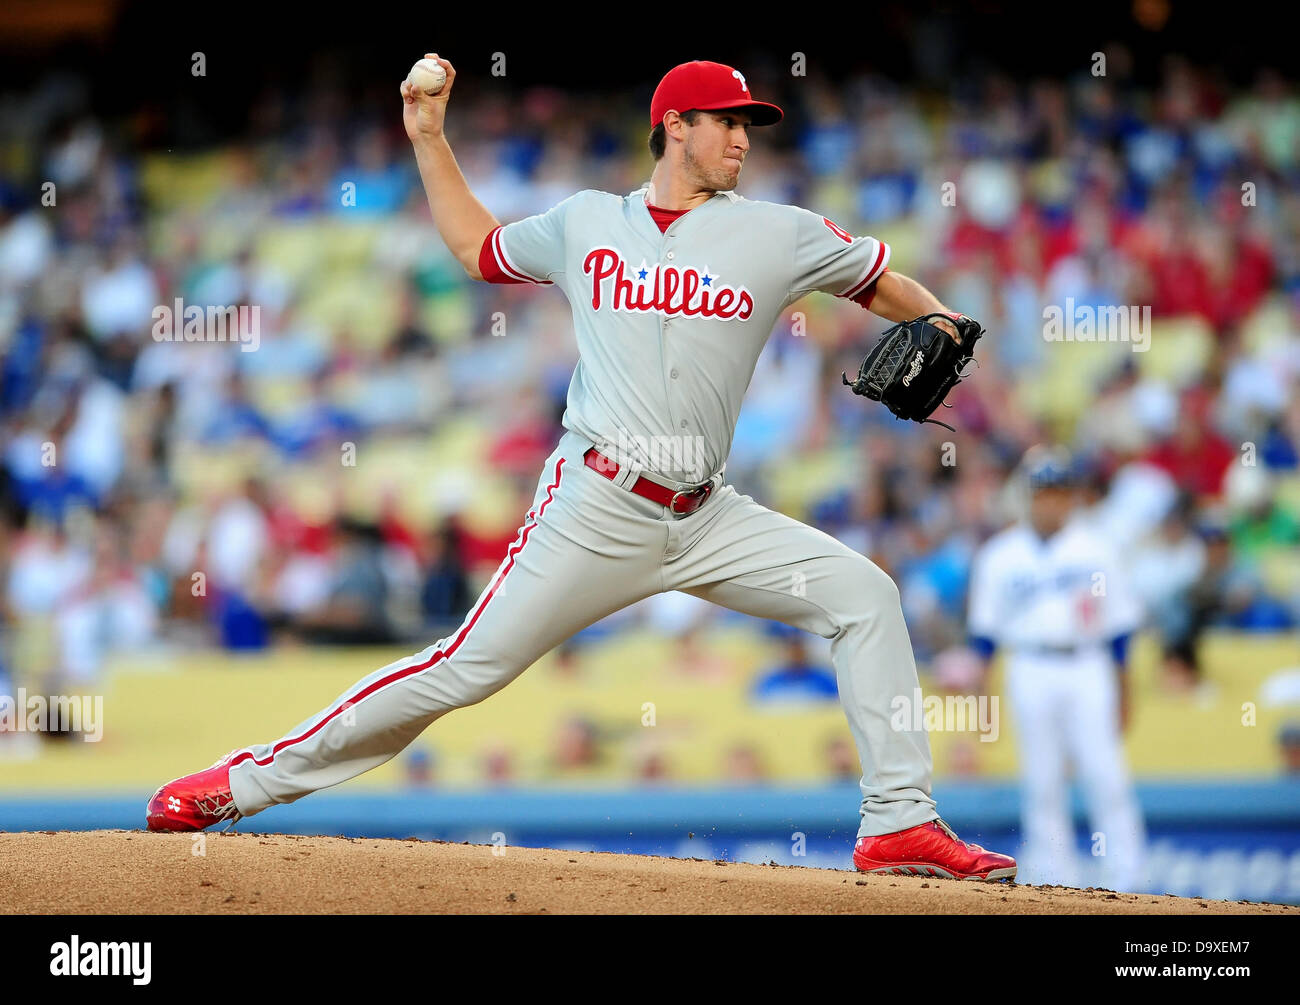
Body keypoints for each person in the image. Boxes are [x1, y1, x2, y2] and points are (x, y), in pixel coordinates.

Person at [146, 57, 1016, 881]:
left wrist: (943, 319)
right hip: (596, 503)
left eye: (751, 125)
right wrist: (428, 138)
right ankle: (242, 783)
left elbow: (877, 281)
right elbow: (477, 249)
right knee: (462, 667)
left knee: (865, 596)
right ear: (674, 126)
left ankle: (898, 815)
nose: (745, 139)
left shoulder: (779, 233)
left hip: (708, 514)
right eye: (728, 122)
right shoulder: (587, 220)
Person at [967, 446, 1146, 891]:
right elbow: (984, 639)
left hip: (1088, 665)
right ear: (1030, 497)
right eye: (1043, 492)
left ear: (1072, 497)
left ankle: (1128, 881)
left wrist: (1125, 691)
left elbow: (1120, 632)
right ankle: (1054, 885)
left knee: (1106, 774)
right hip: (1028, 665)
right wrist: (982, 700)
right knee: (1042, 780)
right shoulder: (1000, 555)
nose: (1051, 501)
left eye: (1059, 492)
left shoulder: (1098, 548)